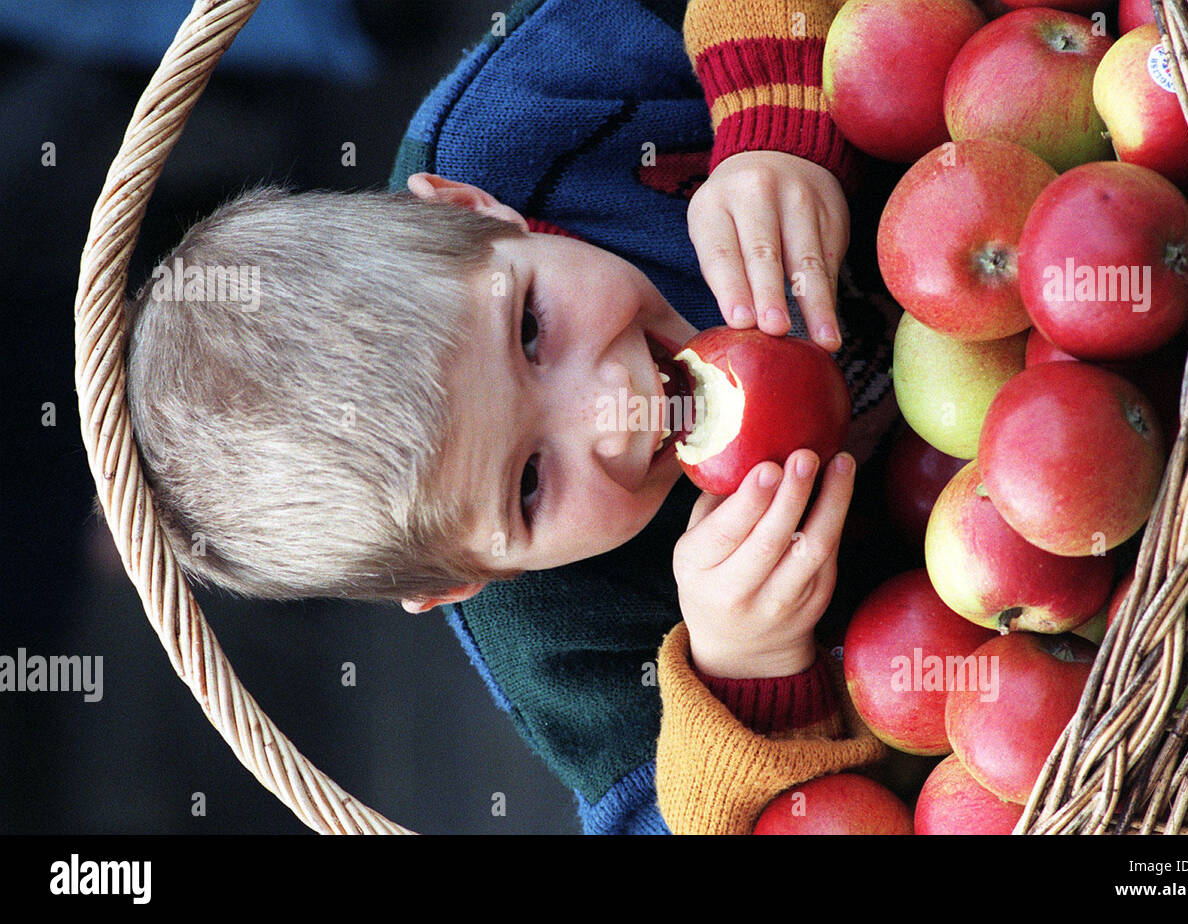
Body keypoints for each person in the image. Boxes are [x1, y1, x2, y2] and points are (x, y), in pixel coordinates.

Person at [123, 0, 902, 834]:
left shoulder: (529, 114)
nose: (618, 411)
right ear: (464, 576)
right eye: (529, 483)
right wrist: (746, 674)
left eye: (530, 328)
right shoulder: (555, 643)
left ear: (471, 209)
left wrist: (770, 119)